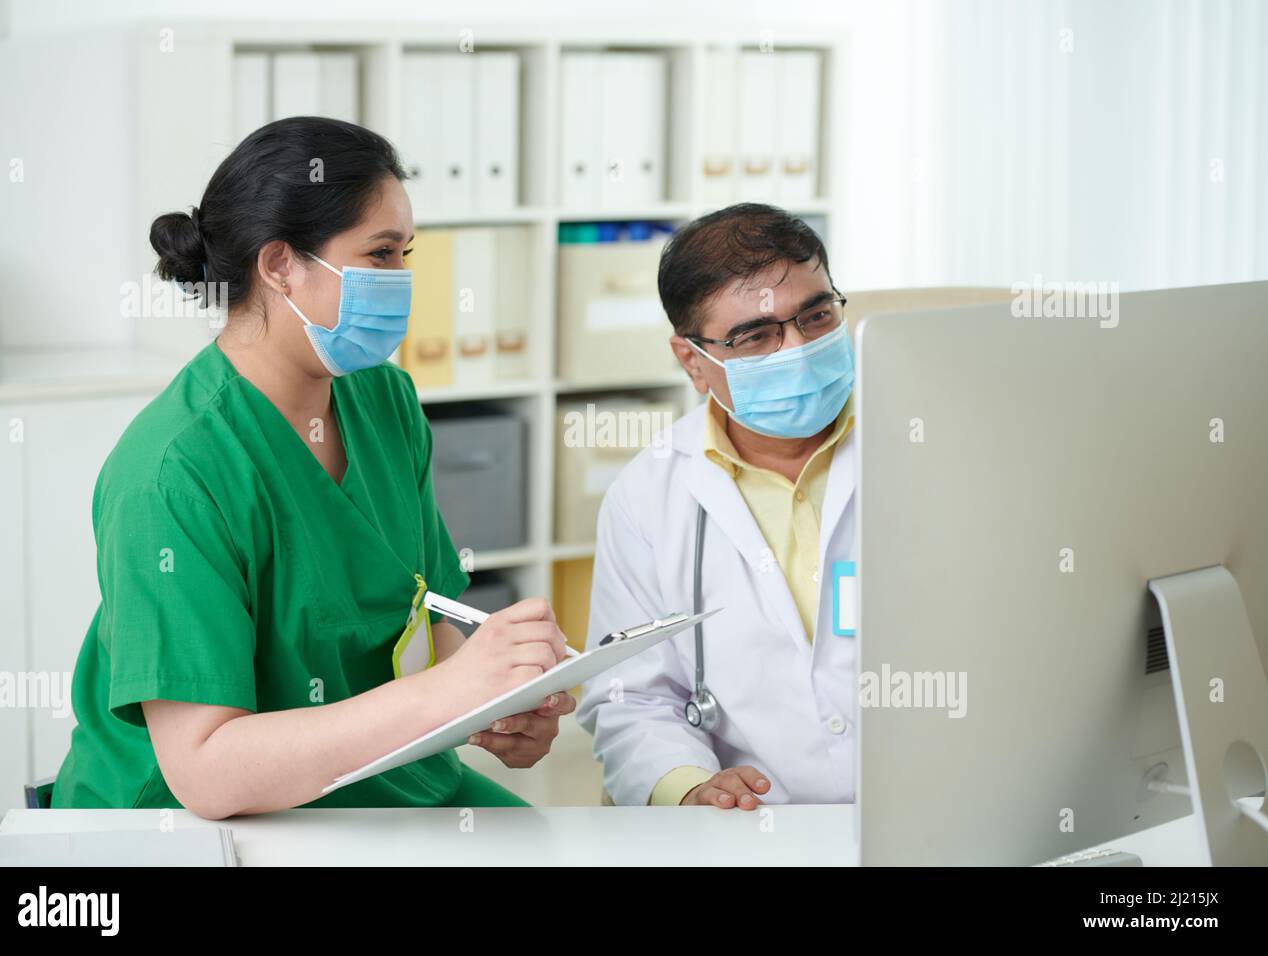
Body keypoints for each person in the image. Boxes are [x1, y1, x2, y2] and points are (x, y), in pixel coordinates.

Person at [52, 117, 573, 817]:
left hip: (376, 781)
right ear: (278, 265)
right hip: (198, 817)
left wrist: (494, 706)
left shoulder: (382, 397)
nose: (402, 279)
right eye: (381, 253)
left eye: (405, 253)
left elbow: (422, 620)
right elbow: (207, 771)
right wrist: (446, 696)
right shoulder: (173, 471)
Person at [578, 204, 856, 809]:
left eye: (815, 316)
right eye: (755, 336)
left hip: (945, 817)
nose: (797, 348)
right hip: (760, 828)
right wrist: (689, 788)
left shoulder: (932, 439)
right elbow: (631, 697)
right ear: (692, 362)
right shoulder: (647, 496)